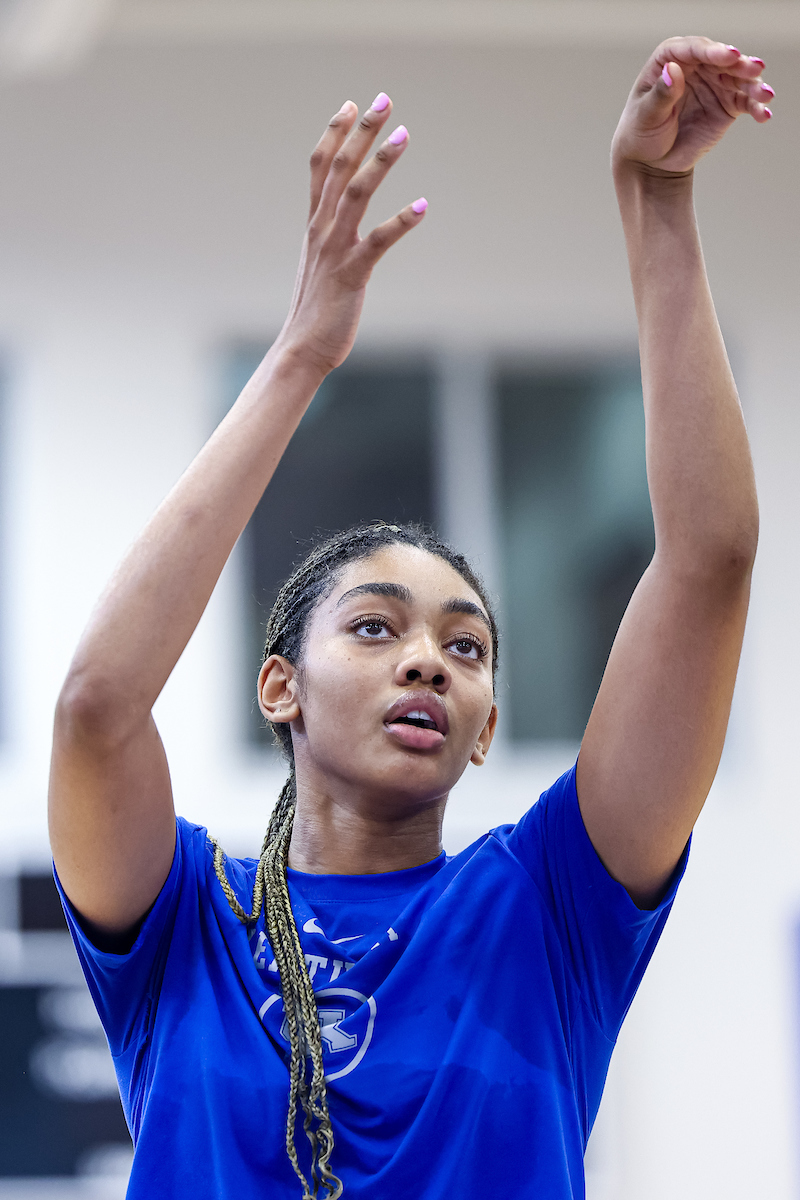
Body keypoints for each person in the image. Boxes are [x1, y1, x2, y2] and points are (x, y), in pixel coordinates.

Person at [49, 37, 771, 1200]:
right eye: (376, 628)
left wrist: (658, 198)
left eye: (466, 646)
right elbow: (96, 707)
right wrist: (300, 354)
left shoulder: (549, 904)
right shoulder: (182, 920)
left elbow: (708, 562)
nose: (428, 662)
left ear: (487, 727)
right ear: (278, 686)